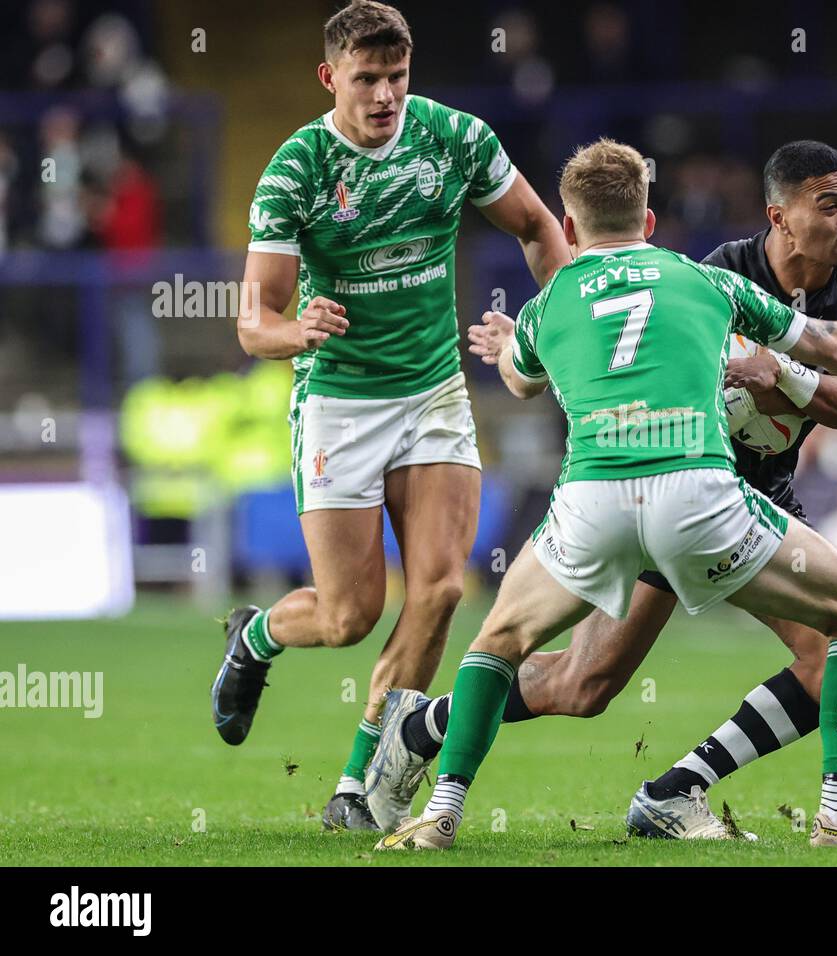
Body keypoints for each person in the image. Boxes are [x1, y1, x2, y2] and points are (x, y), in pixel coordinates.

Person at [371, 138, 837, 852]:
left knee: (506, 639)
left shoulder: (561, 298)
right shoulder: (714, 277)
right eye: (830, 203)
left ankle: (631, 791)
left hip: (638, 490)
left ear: (570, 233)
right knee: (586, 685)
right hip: (705, 492)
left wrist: (526, 349)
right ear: (775, 217)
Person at [208, 0, 569, 830]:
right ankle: (257, 637)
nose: (383, 97)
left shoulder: (455, 139)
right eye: (365, 79)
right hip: (339, 403)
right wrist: (294, 329)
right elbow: (253, 318)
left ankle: (363, 779)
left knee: (440, 588)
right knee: (348, 617)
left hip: (434, 391)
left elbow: (539, 226)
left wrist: (559, 325)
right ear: (330, 77)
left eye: (396, 78)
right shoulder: (296, 167)